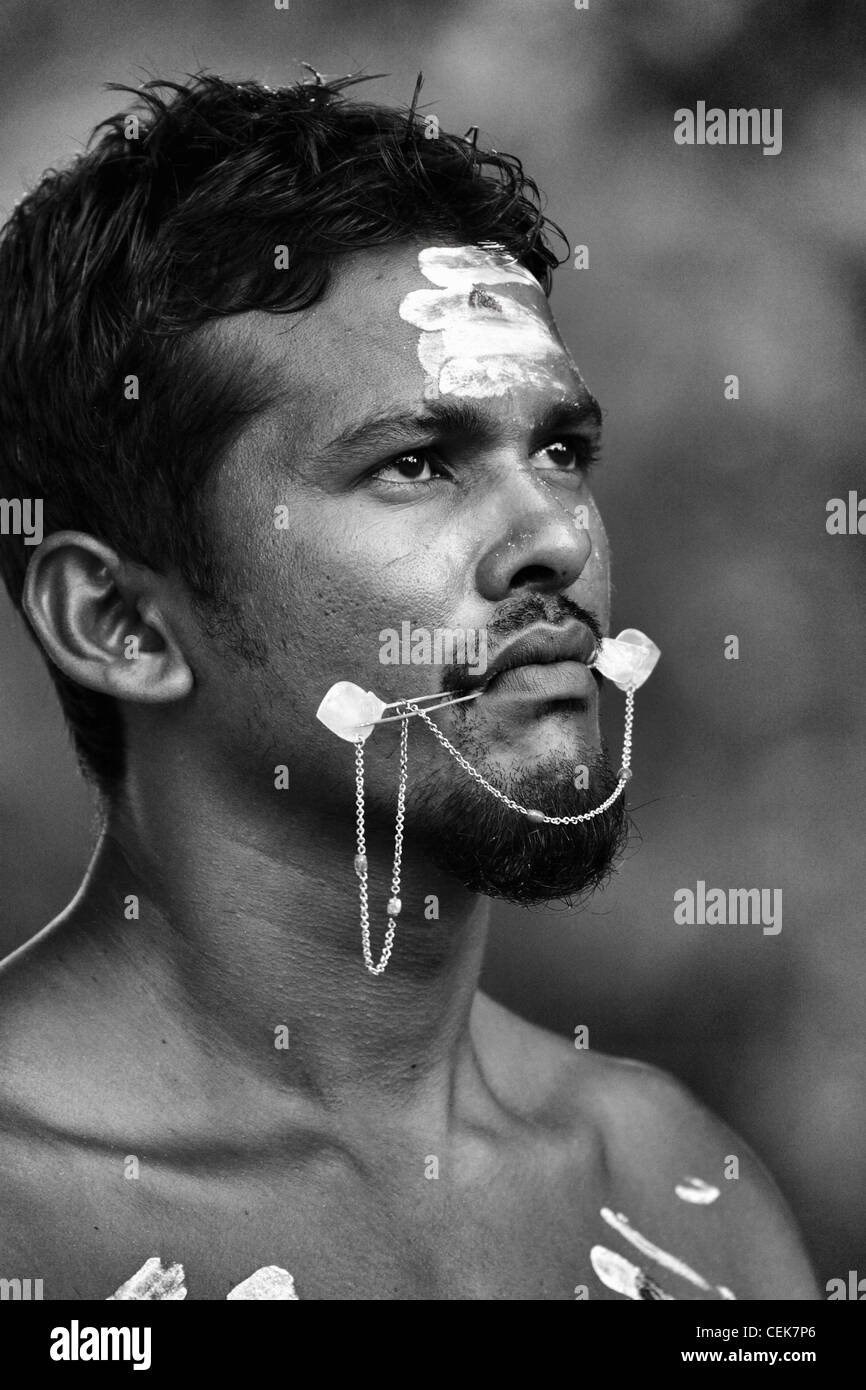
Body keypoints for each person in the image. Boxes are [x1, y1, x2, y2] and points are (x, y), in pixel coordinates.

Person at [0, 72, 817, 1300]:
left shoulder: (679, 1199)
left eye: (558, 449)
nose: (553, 537)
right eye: (418, 462)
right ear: (118, 622)